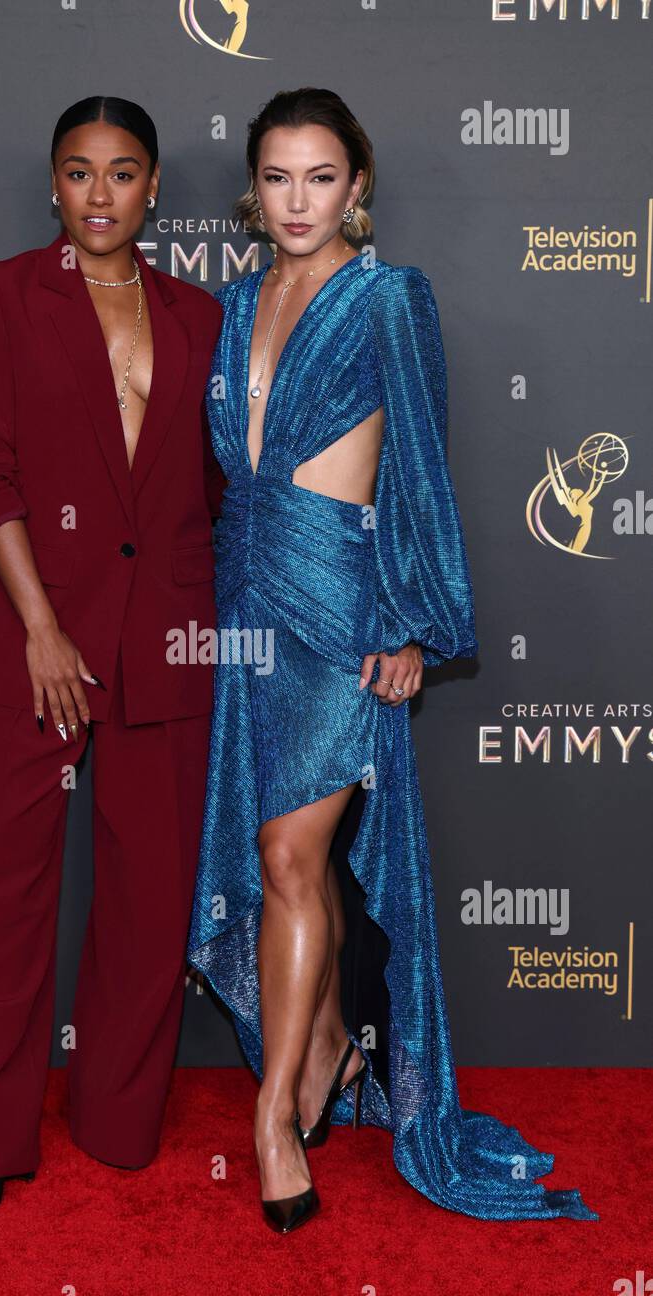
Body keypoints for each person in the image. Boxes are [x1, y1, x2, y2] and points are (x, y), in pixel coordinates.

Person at [187, 88, 598, 1233]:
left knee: (285, 854)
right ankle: (323, 1041)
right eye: (277, 178)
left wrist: (412, 621)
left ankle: (273, 1118)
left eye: (320, 177)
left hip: (340, 612)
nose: (298, 201)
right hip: (245, 605)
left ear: (356, 186)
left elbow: (417, 462)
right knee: (294, 862)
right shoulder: (233, 305)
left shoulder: (386, 298)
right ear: (251, 189)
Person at [0, 96, 225, 1218]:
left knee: (150, 901)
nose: (99, 193)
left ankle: (117, 1118)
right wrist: (42, 627)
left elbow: (214, 485)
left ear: (154, 188)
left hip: (167, 640)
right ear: (52, 183)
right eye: (77, 170)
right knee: (7, 892)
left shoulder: (199, 313)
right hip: (35, 640)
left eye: (122, 171)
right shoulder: (1, 294)